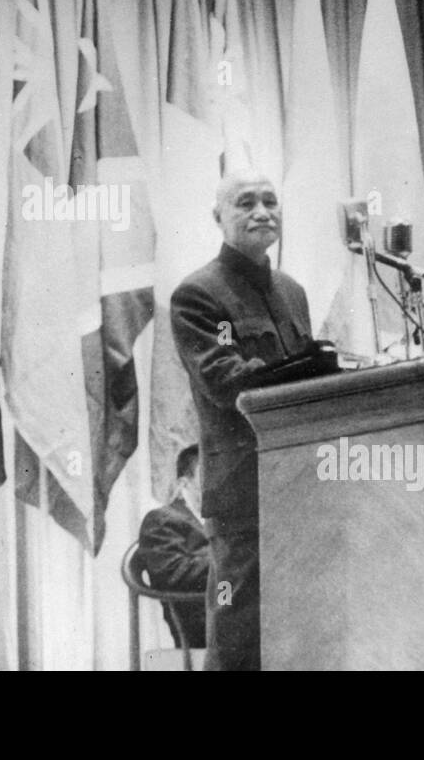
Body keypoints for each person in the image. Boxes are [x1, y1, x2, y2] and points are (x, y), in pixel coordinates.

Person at [169, 172, 312, 671]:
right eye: (245, 203)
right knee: (239, 629)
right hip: (242, 489)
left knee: (299, 626)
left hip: (301, 483)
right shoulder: (196, 294)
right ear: (218, 217)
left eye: (270, 202)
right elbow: (226, 382)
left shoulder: (293, 292)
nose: (261, 212)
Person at [138, 444, 209, 649]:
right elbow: (172, 573)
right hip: (200, 615)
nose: (217, 482)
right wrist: (225, 560)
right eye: (207, 475)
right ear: (183, 484)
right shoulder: (161, 519)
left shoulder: (218, 523)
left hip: (226, 602)